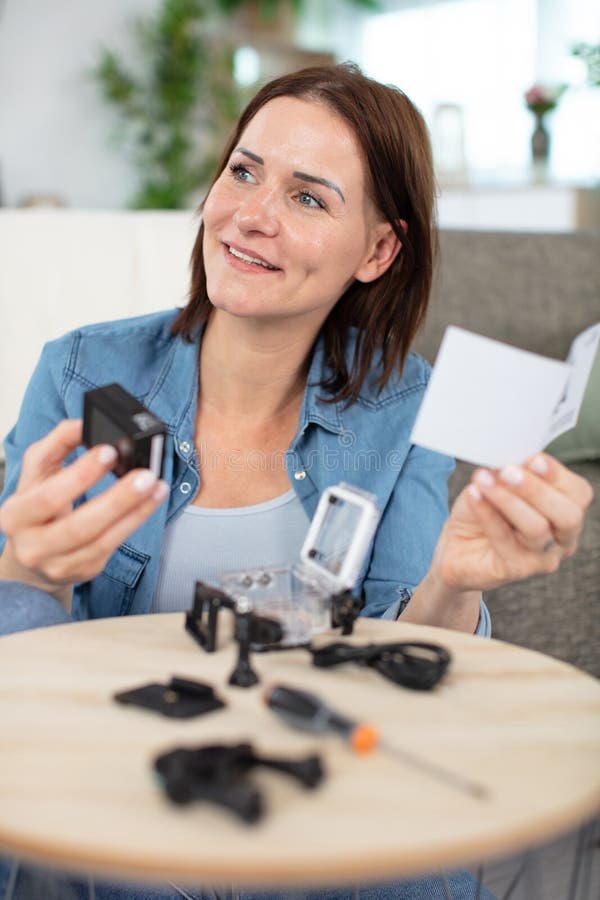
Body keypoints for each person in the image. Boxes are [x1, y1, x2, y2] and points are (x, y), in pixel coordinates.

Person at [0, 63, 593, 900]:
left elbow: (408, 680)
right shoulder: (83, 372)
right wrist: (29, 570)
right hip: (105, 834)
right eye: (244, 172)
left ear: (379, 249)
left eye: (308, 198)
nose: (250, 217)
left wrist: (456, 582)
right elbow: (18, 697)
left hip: (330, 838)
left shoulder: (405, 405)